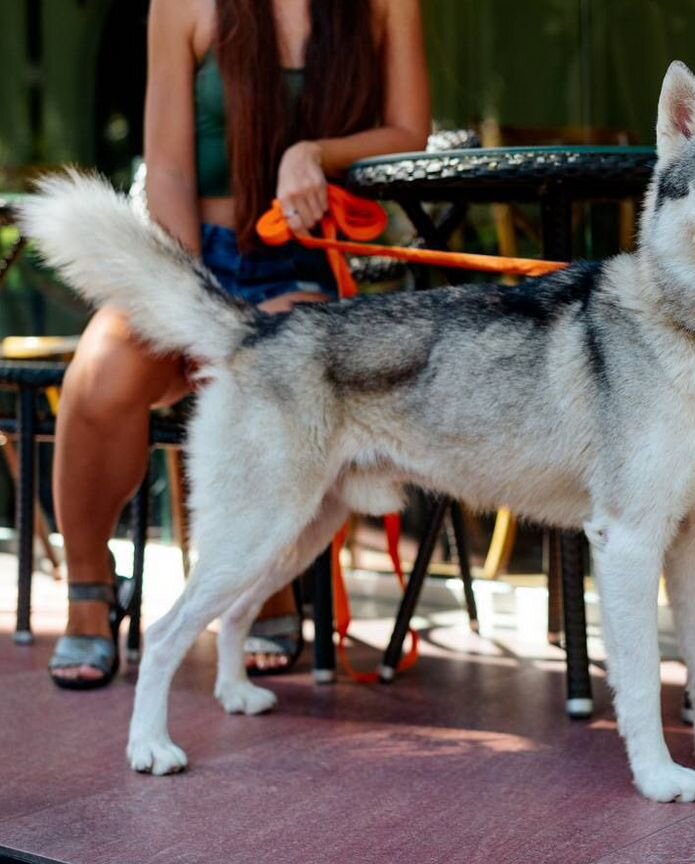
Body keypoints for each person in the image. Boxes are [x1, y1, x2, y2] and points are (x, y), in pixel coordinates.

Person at [49, 0, 430, 688]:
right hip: (193, 256)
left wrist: (314, 151)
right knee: (104, 370)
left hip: (307, 263)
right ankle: (90, 588)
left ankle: (262, 578)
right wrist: (201, 308)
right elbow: (167, 171)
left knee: (293, 387)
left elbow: (408, 132)